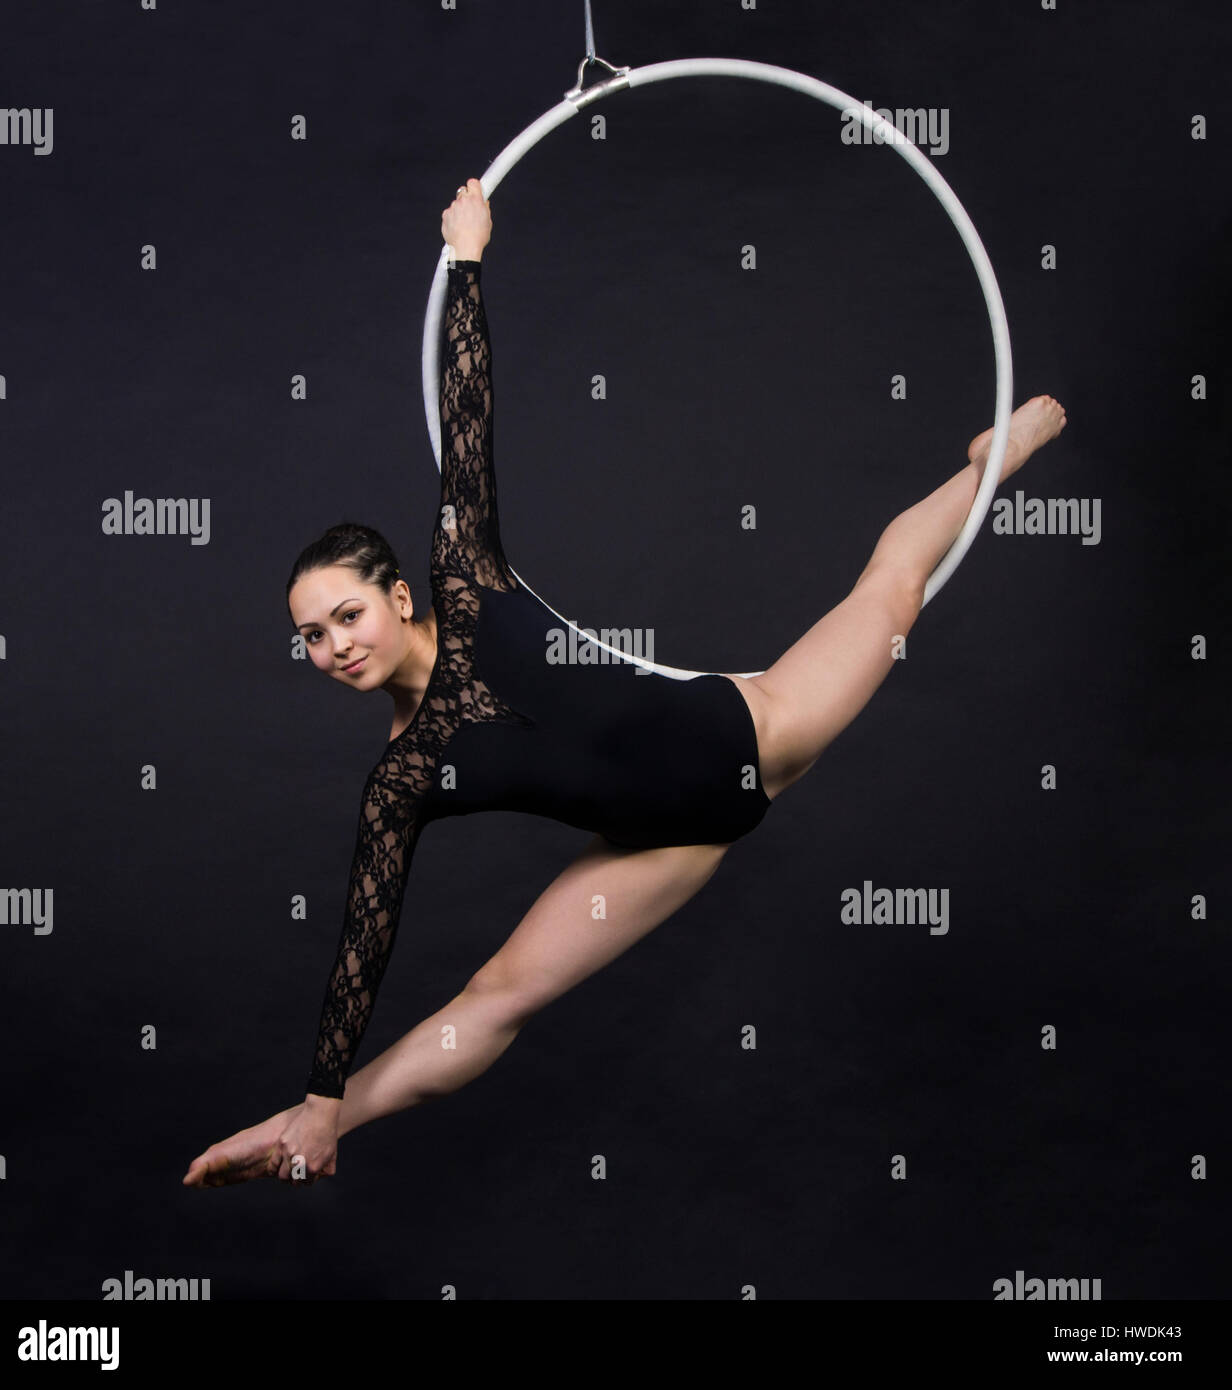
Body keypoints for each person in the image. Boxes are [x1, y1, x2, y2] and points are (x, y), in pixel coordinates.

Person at [184, 177, 1066, 1189]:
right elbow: (361, 943)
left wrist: (468, 257)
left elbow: (468, 408)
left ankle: (989, 462)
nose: (336, 644)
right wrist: (323, 1088)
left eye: (347, 615)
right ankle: (316, 1129)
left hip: (752, 735)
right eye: (310, 637)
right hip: (666, 842)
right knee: (496, 995)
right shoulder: (400, 780)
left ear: (398, 595)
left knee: (893, 587)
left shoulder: (465, 577)